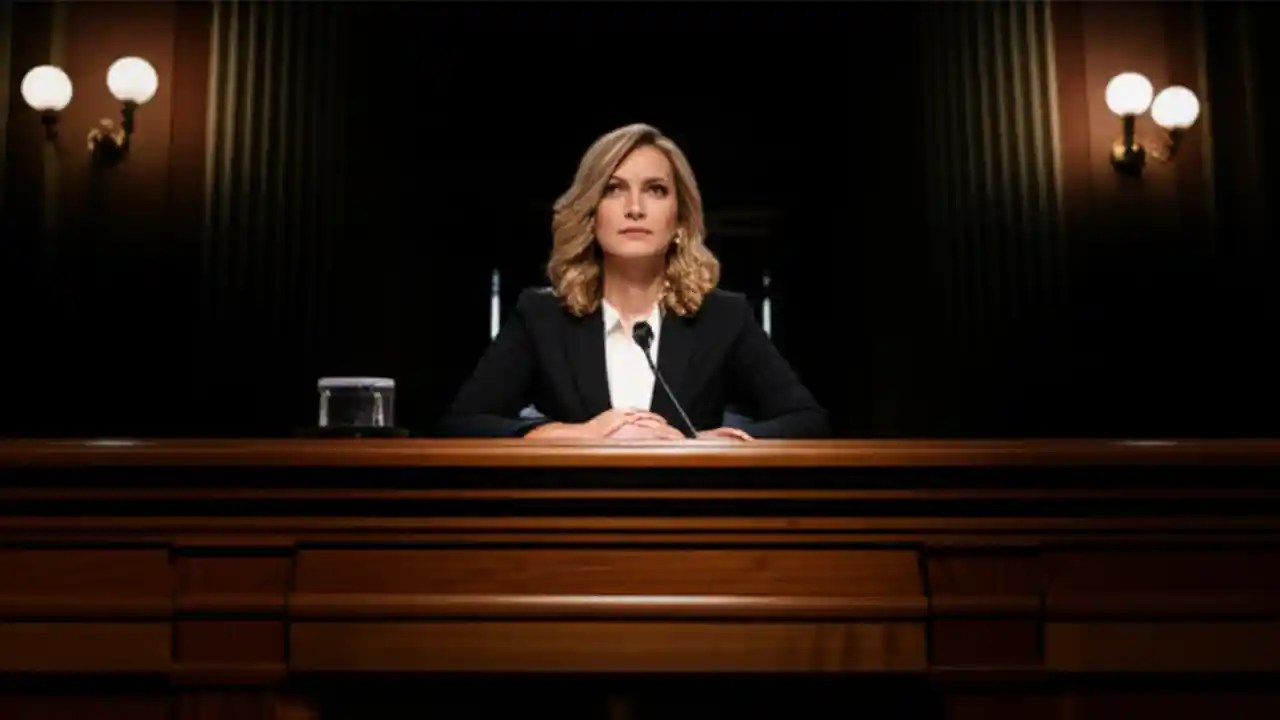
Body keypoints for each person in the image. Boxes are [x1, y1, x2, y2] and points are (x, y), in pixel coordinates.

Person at [437, 123, 829, 441]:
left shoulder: (722, 316)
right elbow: (464, 422)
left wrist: (710, 443)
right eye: (614, 189)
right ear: (591, 216)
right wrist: (571, 435)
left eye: (655, 190)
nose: (635, 209)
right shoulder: (542, 316)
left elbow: (807, 421)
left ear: (678, 221)